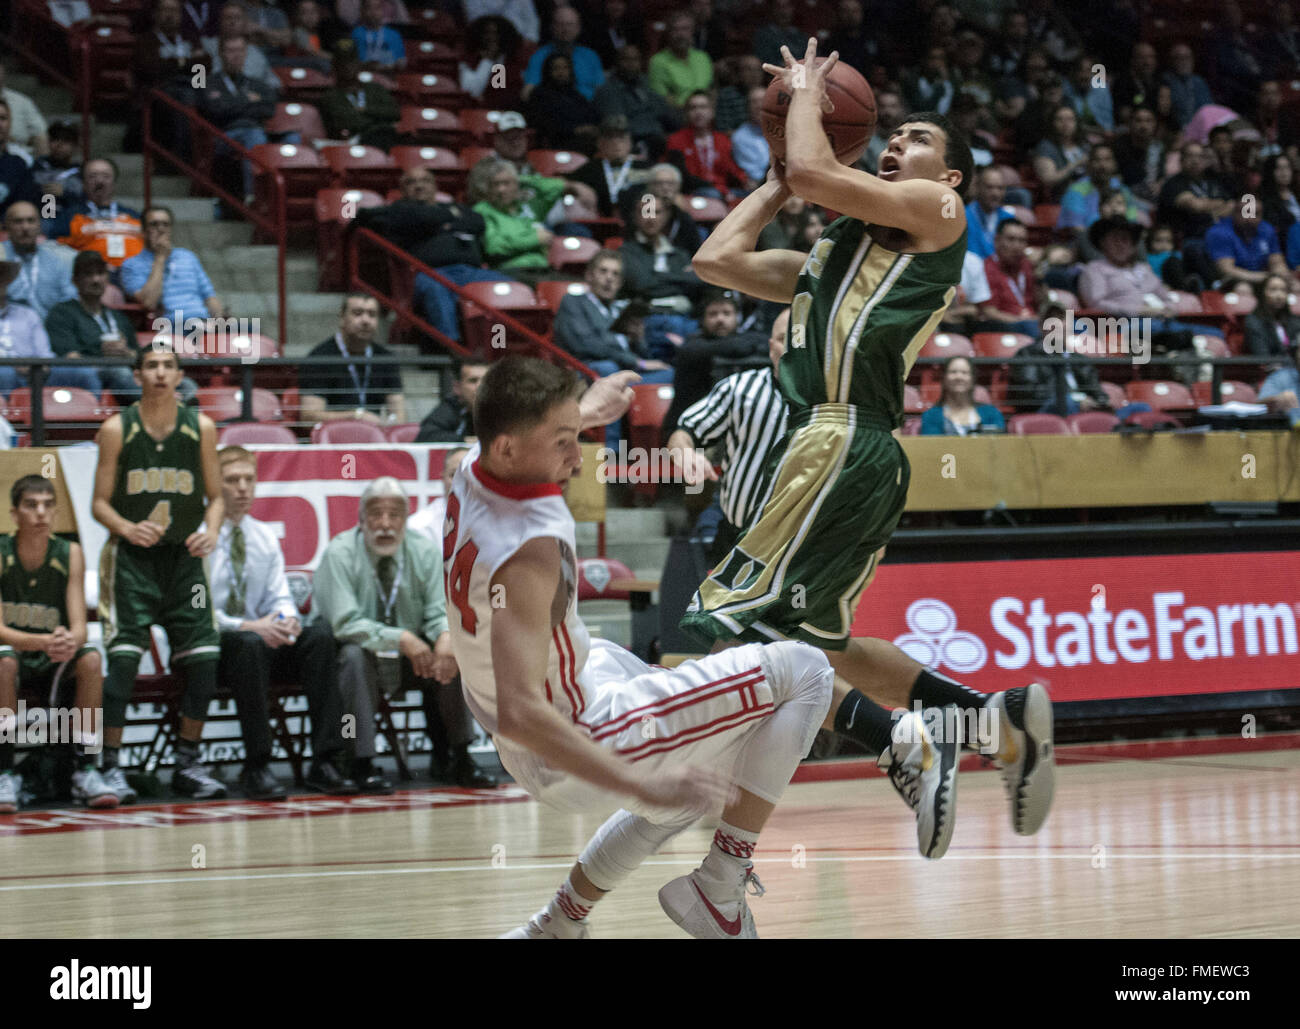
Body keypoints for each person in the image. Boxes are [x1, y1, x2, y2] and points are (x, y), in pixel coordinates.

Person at [683, 40, 1053, 861]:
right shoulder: (833, 255)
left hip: (842, 435)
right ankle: (993, 722)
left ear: (948, 177)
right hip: (846, 447)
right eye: (891, 136)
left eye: (915, 138)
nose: (895, 144)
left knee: (730, 626)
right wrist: (777, 180)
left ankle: (903, 743)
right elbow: (713, 259)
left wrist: (807, 97)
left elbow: (820, 175)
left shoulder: (941, 215)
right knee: (821, 644)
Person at [449, 356, 833, 937]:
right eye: (563, 441)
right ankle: (719, 886)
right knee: (807, 671)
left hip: (552, 700)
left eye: (573, 434)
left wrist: (584, 412)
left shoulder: (467, 469)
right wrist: (637, 782)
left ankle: (556, 926)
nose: (579, 456)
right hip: (568, 734)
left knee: (695, 776)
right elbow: (525, 712)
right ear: (507, 449)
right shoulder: (528, 549)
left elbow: (514, 430)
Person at [92, 346, 226, 803]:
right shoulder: (116, 430)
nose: (160, 372)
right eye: (152, 365)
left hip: (184, 563)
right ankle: (110, 765)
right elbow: (99, 504)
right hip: (132, 562)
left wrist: (211, 530)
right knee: (125, 662)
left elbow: (217, 496)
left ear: (180, 375)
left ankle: (187, 762)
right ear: (137, 375)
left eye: (169, 365)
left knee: (205, 661)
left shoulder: (201, 428)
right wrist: (128, 527)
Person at [314, 477, 495, 789]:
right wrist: (401, 638)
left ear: (405, 519)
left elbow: (440, 610)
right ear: (361, 518)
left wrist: (444, 637)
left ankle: (458, 757)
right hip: (360, 656)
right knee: (354, 658)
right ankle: (361, 762)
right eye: (376, 514)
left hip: (414, 659)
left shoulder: (423, 550)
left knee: (452, 654)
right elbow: (345, 624)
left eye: (394, 515)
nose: (385, 524)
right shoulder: (339, 553)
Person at [209, 446, 358, 799]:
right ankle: (256, 765)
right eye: (232, 480)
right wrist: (251, 628)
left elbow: (279, 597)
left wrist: (286, 621)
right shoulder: (201, 537)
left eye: (249, 479)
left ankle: (325, 761)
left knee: (319, 636)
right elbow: (200, 613)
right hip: (215, 648)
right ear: (214, 485)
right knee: (248, 645)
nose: (243, 488)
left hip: (260, 644)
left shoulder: (262, 536)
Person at [0, 475, 117, 813]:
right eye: (32, 505)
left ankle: (87, 769)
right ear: (14, 513)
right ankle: (5, 772)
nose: (41, 512)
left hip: (53, 657)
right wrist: (42, 640)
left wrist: (68, 640)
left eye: (48, 505)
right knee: (4, 662)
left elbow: (79, 628)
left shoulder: (71, 553)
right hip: (15, 656)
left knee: (91, 658)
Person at [668, 308, 791, 565]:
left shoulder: (833, 400)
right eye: (783, 338)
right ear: (771, 347)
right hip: (737, 537)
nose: (792, 347)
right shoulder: (740, 388)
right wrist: (685, 453)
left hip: (802, 543)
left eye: (800, 339)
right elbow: (683, 432)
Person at [355, 166, 510, 347]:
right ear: (402, 190)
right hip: (429, 273)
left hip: (472, 272)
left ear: (435, 187)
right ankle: (451, 348)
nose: (419, 186)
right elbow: (420, 218)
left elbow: (477, 221)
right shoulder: (399, 211)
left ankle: (499, 345)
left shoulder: (454, 207)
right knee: (436, 290)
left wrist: (439, 222)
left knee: (508, 287)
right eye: (411, 183)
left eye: (425, 181)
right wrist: (450, 219)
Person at [661, 288, 768, 433]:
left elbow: (764, 343)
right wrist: (745, 346)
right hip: (688, 429)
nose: (720, 319)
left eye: (726, 313)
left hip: (734, 427)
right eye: (713, 314)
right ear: (703, 319)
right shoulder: (692, 346)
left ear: (737, 317)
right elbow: (736, 347)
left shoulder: (749, 339)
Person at [553, 251, 672, 379]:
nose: (609, 278)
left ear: (620, 283)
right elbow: (587, 345)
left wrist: (638, 339)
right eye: (603, 271)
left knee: (671, 373)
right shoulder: (573, 302)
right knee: (608, 368)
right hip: (591, 369)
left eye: (615, 274)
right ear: (589, 276)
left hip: (626, 369)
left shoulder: (622, 309)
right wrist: (636, 362)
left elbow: (644, 356)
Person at [43, 251, 144, 399]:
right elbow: (71, 359)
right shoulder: (61, 313)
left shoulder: (119, 317)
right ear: (75, 281)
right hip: (84, 376)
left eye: (100, 273)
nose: (96, 280)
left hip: (125, 377)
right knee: (119, 371)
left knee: (185, 384)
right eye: (88, 274)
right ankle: (158, 409)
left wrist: (126, 354)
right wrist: (101, 353)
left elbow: (139, 356)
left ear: (108, 278)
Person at [617, 190, 704, 360]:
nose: (651, 217)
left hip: (686, 319)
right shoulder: (626, 252)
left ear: (667, 216)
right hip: (650, 319)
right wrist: (680, 277)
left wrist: (659, 276)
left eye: (657, 212)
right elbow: (642, 284)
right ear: (635, 216)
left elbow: (697, 282)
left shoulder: (680, 254)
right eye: (645, 211)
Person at [299, 293, 406, 424]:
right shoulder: (319, 358)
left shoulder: (386, 358)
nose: (366, 320)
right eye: (357, 313)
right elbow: (309, 417)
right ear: (342, 318)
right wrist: (356, 417)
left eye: (372, 314)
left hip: (375, 438)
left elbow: (399, 415)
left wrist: (390, 424)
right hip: (334, 439)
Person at [197, 34, 280, 201]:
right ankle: (254, 195)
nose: (236, 55)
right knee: (253, 134)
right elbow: (215, 110)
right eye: (230, 50)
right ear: (220, 54)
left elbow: (268, 108)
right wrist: (248, 101)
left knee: (290, 138)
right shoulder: (206, 81)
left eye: (240, 51)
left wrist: (232, 103)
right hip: (222, 136)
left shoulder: (256, 83)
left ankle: (280, 197)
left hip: (253, 132)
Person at [120, 206, 228, 325]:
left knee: (247, 332)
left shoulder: (188, 257)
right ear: (143, 231)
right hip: (170, 326)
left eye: (165, 224)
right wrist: (160, 258)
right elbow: (149, 302)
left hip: (203, 322)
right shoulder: (131, 265)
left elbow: (209, 296)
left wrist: (220, 320)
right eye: (154, 225)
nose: (161, 229)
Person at [594, 45, 682, 163]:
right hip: (632, 143)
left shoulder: (647, 84)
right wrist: (654, 130)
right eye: (626, 59)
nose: (631, 64)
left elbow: (667, 114)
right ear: (617, 63)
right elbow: (617, 125)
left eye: (635, 60)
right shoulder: (607, 90)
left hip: (658, 139)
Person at [55, 158, 145, 271]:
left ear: (114, 183)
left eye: (106, 176)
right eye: (93, 176)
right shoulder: (70, 215)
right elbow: (58, 252)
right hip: (93, 276)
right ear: (83, 183)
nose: (100, 181)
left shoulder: (134, 215)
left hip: (136, 275)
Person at [664, 91, 752, 200]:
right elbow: (683, 177)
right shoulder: (676, 141)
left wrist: (746, 181)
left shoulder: (723, 140)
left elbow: (733, 170)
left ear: (712, 112)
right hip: (693, 193)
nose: (698, 112)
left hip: (723, 191)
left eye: (703, 107)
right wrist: (721, 191)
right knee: (712, 194)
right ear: (687, 113)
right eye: (693, 108)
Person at [2, 201, 76, 321]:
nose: (25, 227)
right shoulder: (1, 257)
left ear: (39, 226)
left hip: (50, 330)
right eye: (18, 221)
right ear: (7, 227)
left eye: (31, 221)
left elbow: (69, 300)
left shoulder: (55, 262)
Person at [317, 44, 401, 149]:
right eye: (342, 64)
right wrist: (377, 119)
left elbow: (394, 112)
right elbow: (346, 122)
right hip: (354, 141)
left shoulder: (375, 88)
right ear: (335, 67)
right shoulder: (330, 96)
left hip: (384, 136)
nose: (347, 67)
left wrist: (364, 110)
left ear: (359, 65)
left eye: (352, 63)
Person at [568, 116, 652, 217]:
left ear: (630, 142)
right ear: (600, 143)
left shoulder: (646, 169)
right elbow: (566, 183)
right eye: (610, 137)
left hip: (638, 223)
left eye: (621, 137)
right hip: (596, 224)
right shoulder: (589, 169)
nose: (616, 142)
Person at [521, 5, 603, 102]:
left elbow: (602, 90)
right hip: (554, 109)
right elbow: (528, 92)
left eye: (570, 24)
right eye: (560, 24)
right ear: (552, 27)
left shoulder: (590, 56)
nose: (565, 29)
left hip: (588, 109)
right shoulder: (539, 56)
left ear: (579, 28)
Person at [0, 259, 56, 397]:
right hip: (5, 375)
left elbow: (45, 356)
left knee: (80, 373)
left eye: (1, 274)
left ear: (8, 280)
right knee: (5, 374)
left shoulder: (29, 315)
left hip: (33, 375)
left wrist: (33, 367)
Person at [1206, 203, 1292, 291]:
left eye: (1255, 214)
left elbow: (1277, 262)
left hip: (1263, 278)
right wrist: (1266, 277)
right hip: (1230, 281)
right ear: (1234, 213)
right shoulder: (1219, 232)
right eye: (1245, 213)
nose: (1249, 218)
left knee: (1289, 285)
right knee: (1243, 288)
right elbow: (1227, 271)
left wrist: (1284, 277)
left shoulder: (1266, 229)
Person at [525, 53, 600, 152]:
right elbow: (542, 124)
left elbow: (593, 115)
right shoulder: (539, 95)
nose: (561, 72)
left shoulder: (575, 95)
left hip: (584, 141)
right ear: (548, 71)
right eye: (556, 68)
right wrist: (575, 130)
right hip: (556, 144)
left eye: (565, 68)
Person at [978, 219, 1039, 337]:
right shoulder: (986, 269)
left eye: (1021, 241)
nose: (1016, 246)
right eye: (1011, 239)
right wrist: (1023, 321)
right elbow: (989, 313)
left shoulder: (1028, 266)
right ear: (997, 241)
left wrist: (1040, 277)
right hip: (1006, 328)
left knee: (1077, 325)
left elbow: (1040, 305)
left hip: (1032, 322)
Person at [920, 355, 1005, 434]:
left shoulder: (991, 413)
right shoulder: (931, 416)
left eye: (964, 372)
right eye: (953, 372)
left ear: (972, 379)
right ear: (944, 378)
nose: (959, 377)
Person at [648, 11, 713, 110]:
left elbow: (711, 90)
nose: (680, 34)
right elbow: (663, 101)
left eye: (685, 29)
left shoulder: (703, 57)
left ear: (692, 32)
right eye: (675, 29)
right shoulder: (658, 62)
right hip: (678, 117)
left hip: (706, 115)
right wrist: (693, 112)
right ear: (668, 34)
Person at [405, 446, 468, 545]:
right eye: (453, 475)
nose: (460, 481)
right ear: (443, 479)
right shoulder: (419, 527)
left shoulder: (495, 521)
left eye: (467, 474)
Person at [415, 358, 488, 443]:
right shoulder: (450, 408)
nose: (481, 386)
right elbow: (426, 436)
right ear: (457, 387)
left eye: (487, 380)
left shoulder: (502, 409)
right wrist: (465, 441)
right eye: (473, 381)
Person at [1243, 272, 1300, 371]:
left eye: (1283, 290)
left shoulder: (1294, 320)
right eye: (1273, 290)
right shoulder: (1253, 321)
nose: (1279, 295)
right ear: (1262, 293)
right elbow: (1263, 358)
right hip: (1269, 374)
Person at [1032, 105, 1088, 201]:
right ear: (1052, 123)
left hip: (1089, 190)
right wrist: (1075, 164)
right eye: (1060, 119)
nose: (1065, 124)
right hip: (1062, 195)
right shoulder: (1046, 147)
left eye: (1070, 119)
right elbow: (1049, 179)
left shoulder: (1084, 145)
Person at [964, 165, 1017, 259]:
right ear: (978, 187)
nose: (995, 193)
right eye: (989, 187)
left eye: (1000, 188)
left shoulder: (1009, 219)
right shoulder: (962, 217)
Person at [351, 0, 406, 71]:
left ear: (383, 10)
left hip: (388, 74)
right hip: (363, 74)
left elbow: (401, 62)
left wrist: (387, 66)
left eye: (377, 8)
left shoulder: (393, 35)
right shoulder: (356, 33)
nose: (373, 12)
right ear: (362, 11)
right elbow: (352, 62)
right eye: (368, 8)